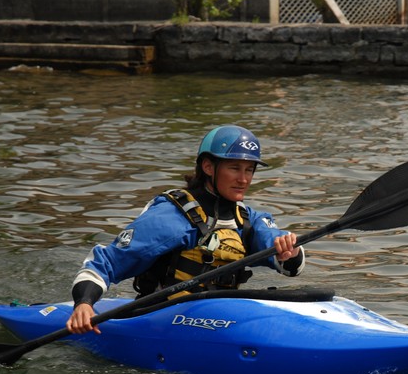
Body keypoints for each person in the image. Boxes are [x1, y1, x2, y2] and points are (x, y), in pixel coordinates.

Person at [66, 125, 304, 335]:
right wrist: (84, 304)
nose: (243, 179)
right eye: (234, 168)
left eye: (249, 170)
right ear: (209, 167)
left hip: (219, 319)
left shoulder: (246, 219)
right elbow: (106, 263)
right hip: (163, 318)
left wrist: (288, 252)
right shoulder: (172, 217)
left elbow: (286, 259)